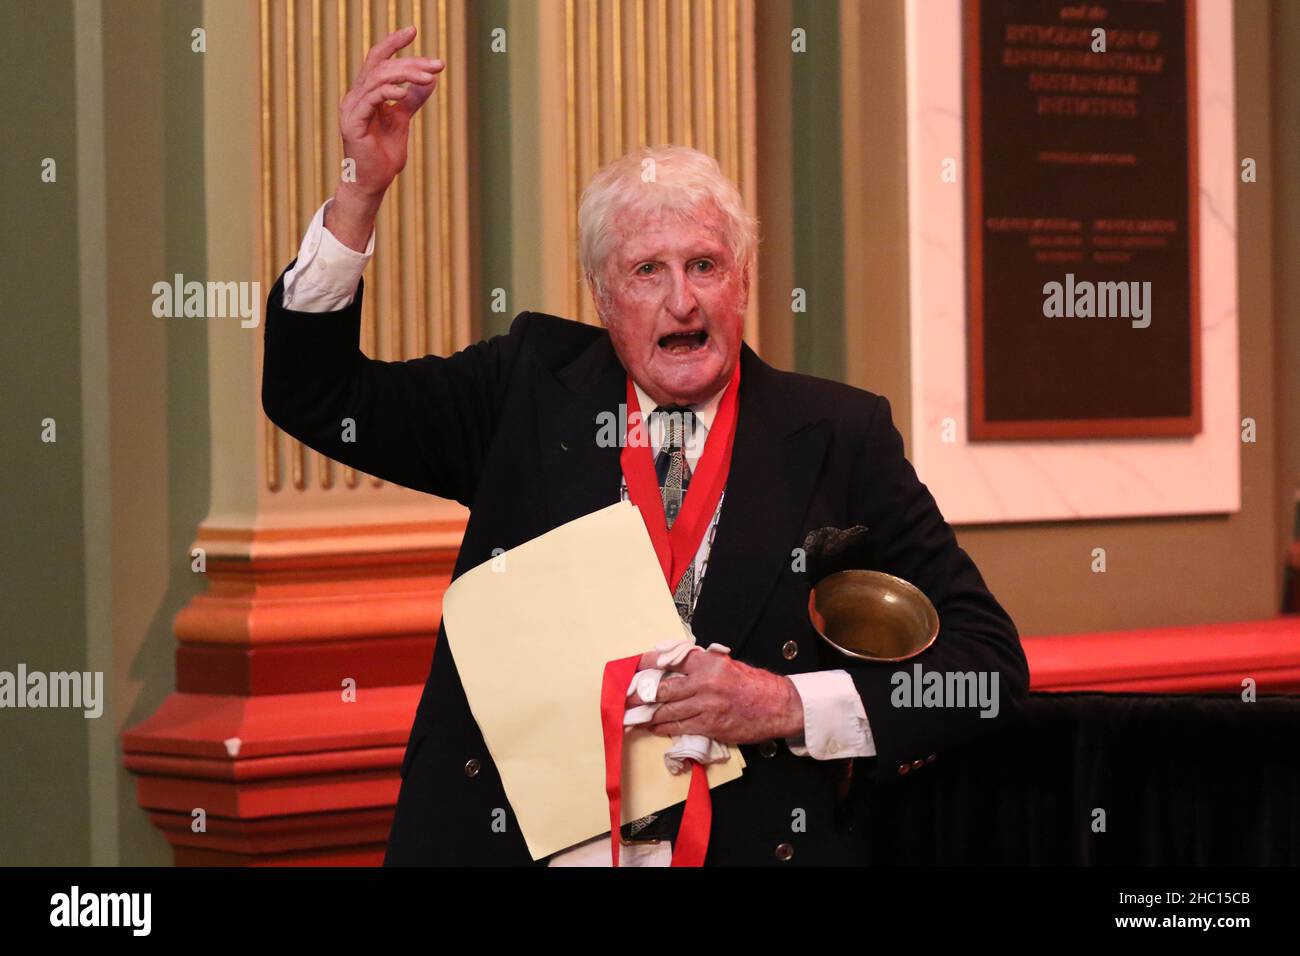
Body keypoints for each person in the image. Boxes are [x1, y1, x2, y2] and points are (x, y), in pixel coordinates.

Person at [261, 26, 1028, 866]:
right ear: (599, 294)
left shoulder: (840, 434)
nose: (682, 303)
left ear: (745, 280)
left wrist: (785, 703)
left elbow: (986, 668)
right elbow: (318, 397)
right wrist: (359, 193)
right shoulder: (522, 391)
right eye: (646, 272)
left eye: (704, 266)